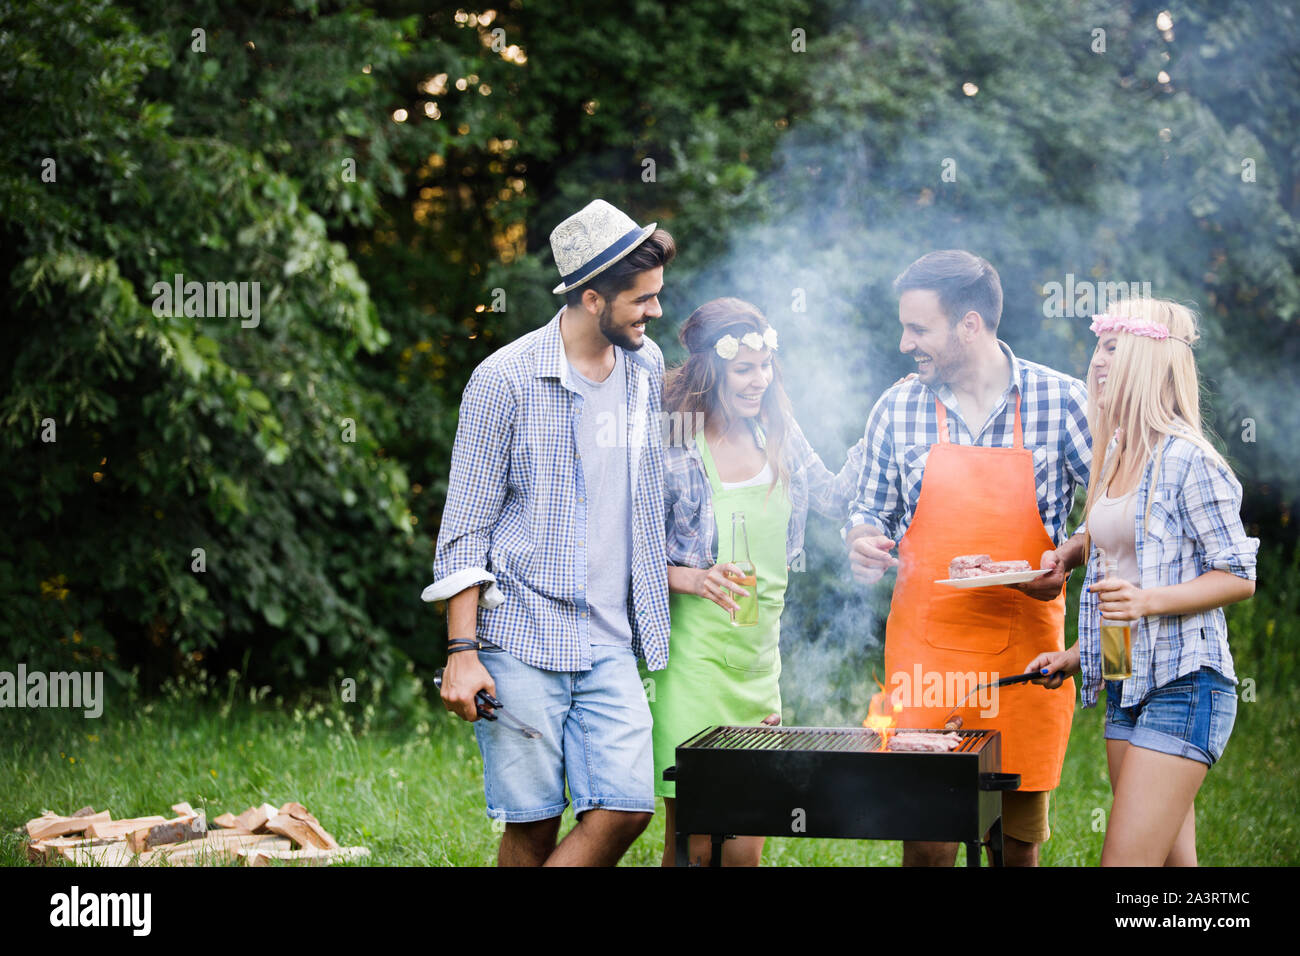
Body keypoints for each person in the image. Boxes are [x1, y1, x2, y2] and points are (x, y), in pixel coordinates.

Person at [422, 199, 675, 866]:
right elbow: (464, 532)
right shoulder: (503, 381)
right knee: (532, 825)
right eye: (641, 300)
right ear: (593, 299)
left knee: (626, 806)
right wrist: (461, 650)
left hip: (612, 638)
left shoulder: (645, 371)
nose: (654, 312)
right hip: (522, 636)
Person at [844, 250, 1093, 867]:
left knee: (1014, 845)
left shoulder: (1063, 401)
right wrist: (863, 543)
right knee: (926, 839)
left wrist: (1071, 552)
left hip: (1024, 658)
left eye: (918, 329)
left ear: (971, 325)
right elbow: (869, 512)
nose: (905, 344)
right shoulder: (897, 407)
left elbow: (1124, 505)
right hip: (926, 660)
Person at [1026, 299, 1257, 867]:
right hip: (1129, 682)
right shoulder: (1117, 454)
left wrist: (1147, 601)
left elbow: (1239, 575)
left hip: (1186, 684)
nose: (1097, 361)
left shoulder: (1189, 460)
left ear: (1146, 359)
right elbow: (1120, 569)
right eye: (1097, 347)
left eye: (1111, 347)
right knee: (1176, 869)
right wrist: (1080, 651)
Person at [648, 298, 859, 866]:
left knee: (745, 842)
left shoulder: (779, 435)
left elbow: (838, 499)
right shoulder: (674, 446)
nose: (759, 380)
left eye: (765, 366)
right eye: (744, 369)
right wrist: (692, 577)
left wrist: (886, 419)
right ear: (709, 370)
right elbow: (625, 555)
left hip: (759, 663)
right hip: (692, 665)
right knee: (694, 841)